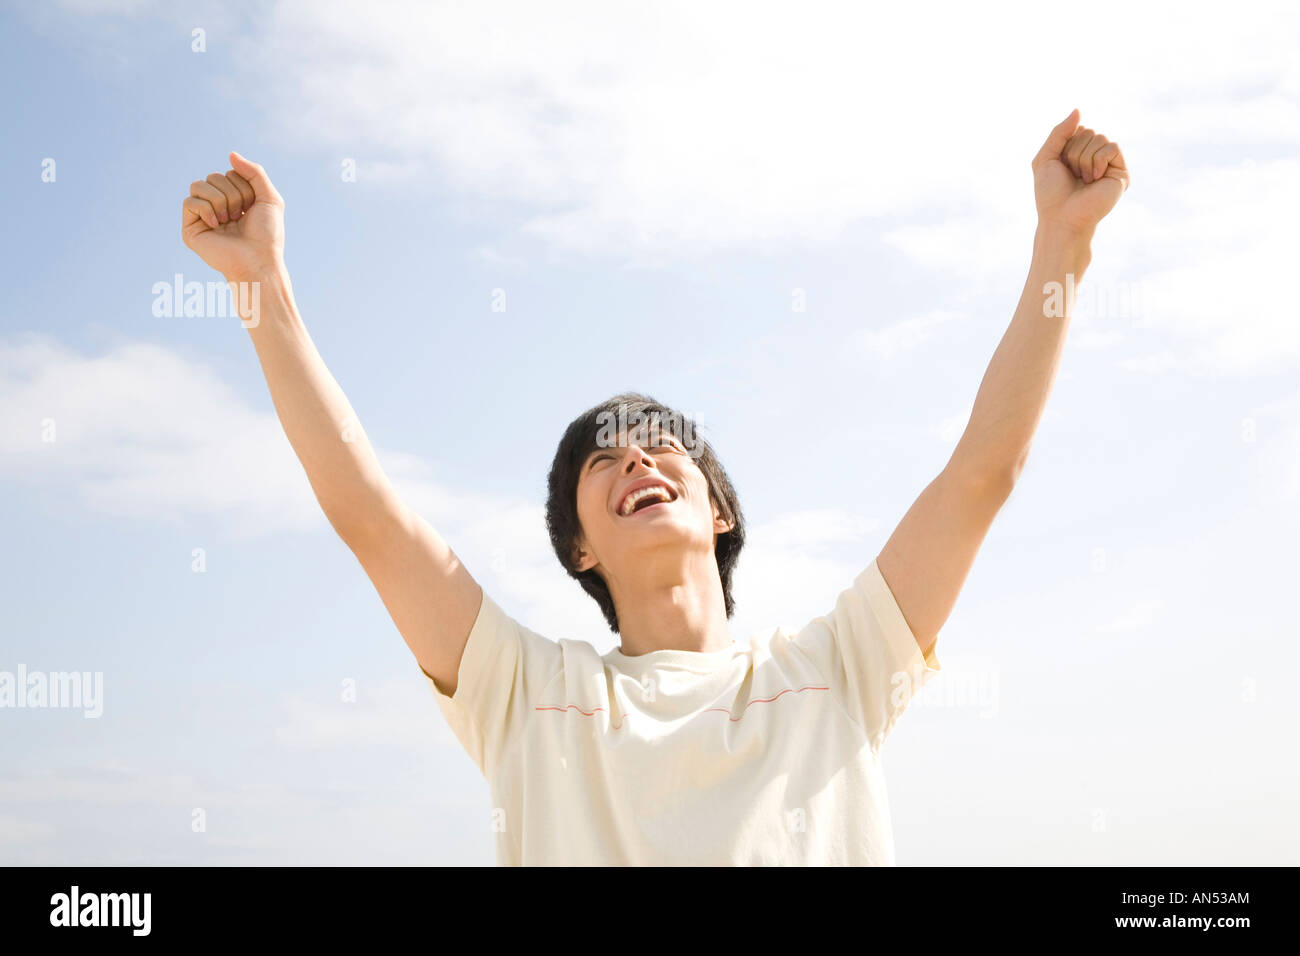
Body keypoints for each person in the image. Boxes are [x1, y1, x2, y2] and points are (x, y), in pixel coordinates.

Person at [180, 109, 1129, 865]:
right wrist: (262, 285)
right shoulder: (527, 693)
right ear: (578, 548)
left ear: (718, 510)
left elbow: (980, 478)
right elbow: (371, 518)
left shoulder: (835, 669)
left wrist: (1062, 251)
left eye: (661, 446)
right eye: (604, 459)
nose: (636, 458)